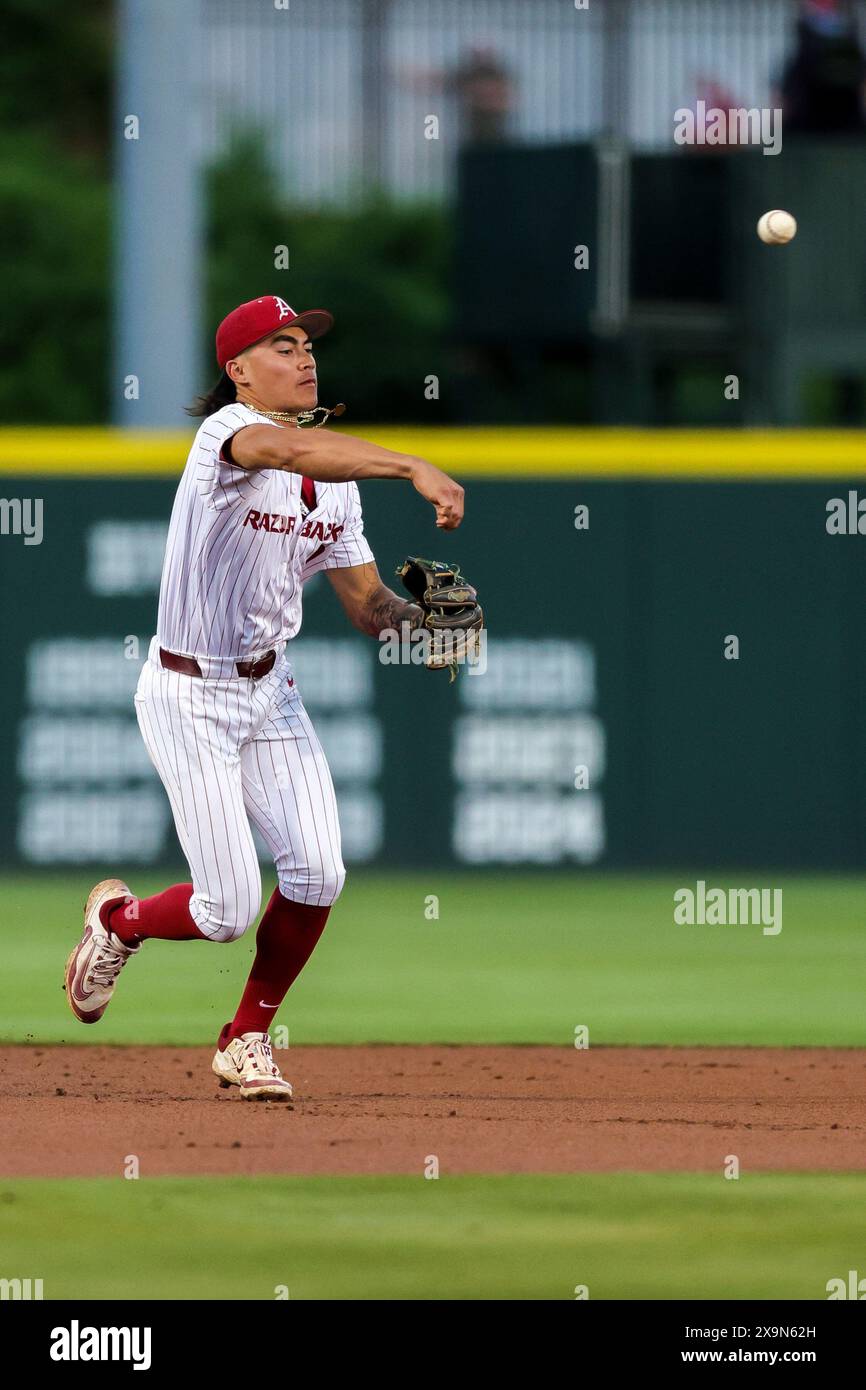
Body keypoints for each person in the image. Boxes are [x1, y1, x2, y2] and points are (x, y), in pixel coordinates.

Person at [64, 294, 465, 1100]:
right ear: (238, 371)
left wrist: (425, 628)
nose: (305, 356)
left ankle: (245, 1038)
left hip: (270, 691)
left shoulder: (335, 486)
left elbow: (365, 606)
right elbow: (295, 453)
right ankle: (115, 924)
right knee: (226, 908)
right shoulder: (227, 439)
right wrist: (412, 464)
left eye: (308, 343)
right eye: (281, 346)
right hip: (188, 691)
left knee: (318, 872)